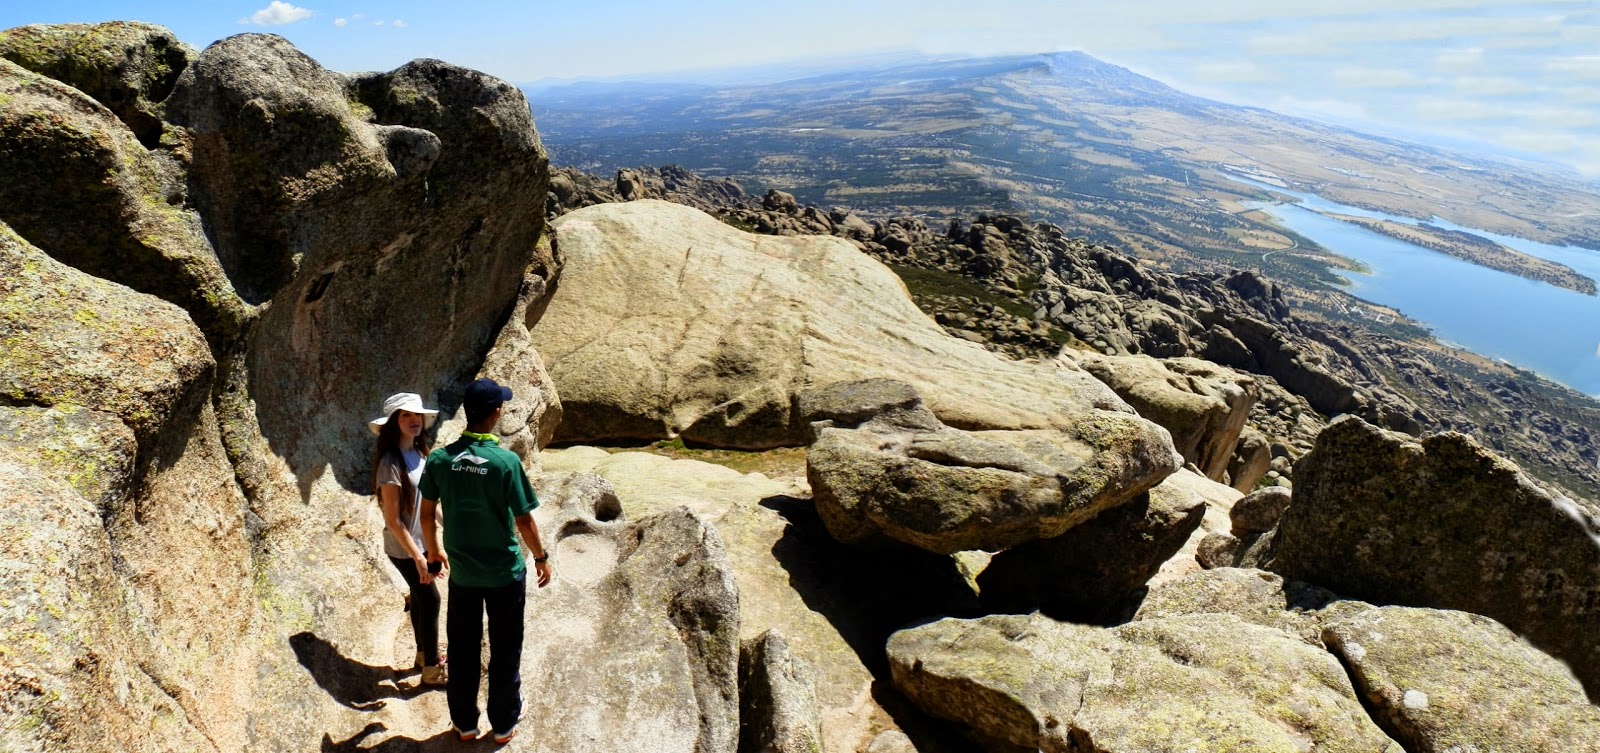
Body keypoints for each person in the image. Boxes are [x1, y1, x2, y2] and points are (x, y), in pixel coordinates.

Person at [420, 378, 553, 744]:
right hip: (504, 573)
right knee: (505, 648)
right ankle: (504, 723)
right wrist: (541, 557)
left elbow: (426, 513)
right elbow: (524, 520)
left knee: (462, 648)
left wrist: (433, 551)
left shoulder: (440, 459)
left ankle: (465, 724)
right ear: (496, 413)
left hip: (463, 574)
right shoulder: (505, 462)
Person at [368, 392, 447, 686]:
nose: (415, 420)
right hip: (404, 549)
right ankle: (432, 669)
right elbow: (392, 520)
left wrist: (449, 529)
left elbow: (429, 503)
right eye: (406, 415)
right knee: (431, 600)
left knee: (420, 597)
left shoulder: (421, 454)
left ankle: (423, 654)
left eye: (417, 415)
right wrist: (418, 557)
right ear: (393, 422)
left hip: (422, 544)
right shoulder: (390, 462)